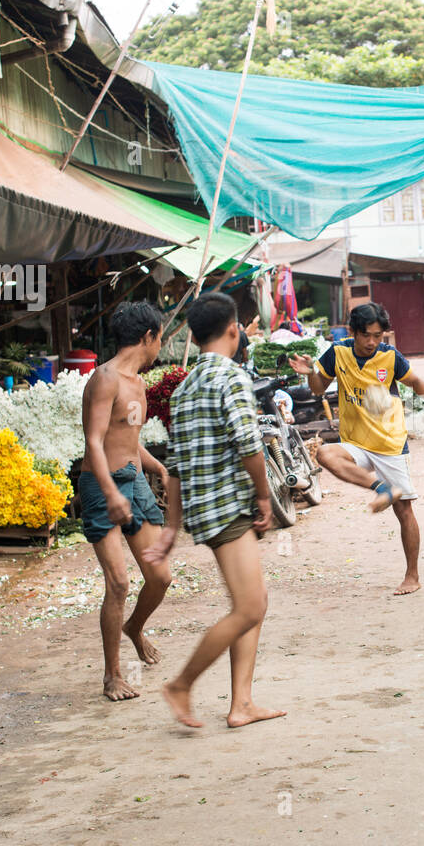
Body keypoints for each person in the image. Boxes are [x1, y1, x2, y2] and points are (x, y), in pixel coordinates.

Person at [144, 292, 285, 730]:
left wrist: (171, 528)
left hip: (206, 509)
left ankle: (241, 703)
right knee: (247, 608)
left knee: (254, 601)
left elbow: (175, 467)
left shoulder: (184, 388)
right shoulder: (232, 379)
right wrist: (265, 496)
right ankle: (182, 684)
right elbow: (250, 445)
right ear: (233, 329)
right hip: (230, 505)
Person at [289, 302, 424, 596]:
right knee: (325, 454)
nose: (372, 342)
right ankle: (381, 488)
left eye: (377, 335)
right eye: (366, 335)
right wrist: (310, 372)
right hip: (356, 442)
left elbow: (416, 383)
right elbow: (319, 389)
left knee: (404, 510)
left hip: (389, 443)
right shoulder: (338, 353)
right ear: (352, 332)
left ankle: (412, 575)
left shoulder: (389, 357)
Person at [79, 301, 173, 701]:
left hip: (134, 483)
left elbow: (129, 443)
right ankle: (112, 675)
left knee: (160, 577)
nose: (160, 347)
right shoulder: (105, 378)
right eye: (160, 338)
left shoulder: (137, 384)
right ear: (148, 337)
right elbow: (94, 442)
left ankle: (134, 627)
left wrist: (159, 468)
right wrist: (112, 492)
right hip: (101, 486)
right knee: (118, 582)